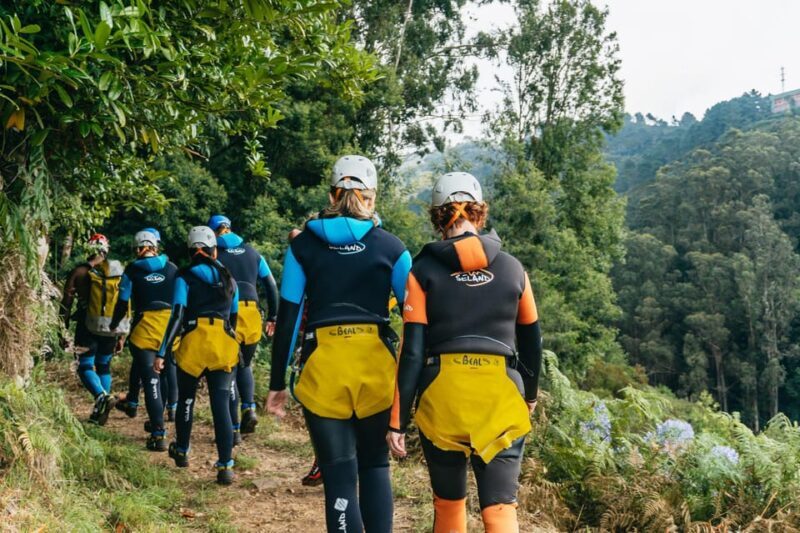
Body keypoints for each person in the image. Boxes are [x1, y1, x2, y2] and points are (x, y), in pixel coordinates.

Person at [387, 172, 543, 533]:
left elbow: (411, 351)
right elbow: (532, 342)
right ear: (479, 213)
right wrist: (530, 396)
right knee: (501, 509)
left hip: (443, 394)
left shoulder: (422, 270)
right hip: (500, 393)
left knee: (449, 504)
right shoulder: (513, 269)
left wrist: (398, 420)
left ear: (439, 217)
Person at [269, 155, 412, 532]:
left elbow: (288, 317)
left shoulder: (303, 247)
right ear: (372, 196)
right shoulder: (393, 248)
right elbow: (416, 321)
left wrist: (276, 385)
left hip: (324, 370)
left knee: (339, 477)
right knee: (375, 466)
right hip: (376, 369)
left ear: (332, 194)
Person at [155, 226, 241, 485]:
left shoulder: (184, 276)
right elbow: (233, 317)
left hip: (193, 343)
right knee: (221, 405)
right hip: (222, 344)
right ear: (214, 250)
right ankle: (225, 466)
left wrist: (162, 351)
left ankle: (182, 450)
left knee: (187, 400)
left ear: (192, 251)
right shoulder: (229, 278)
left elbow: (178, 314)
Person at [208, 214, 278, 442]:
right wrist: (273, 316)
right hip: (253, 314)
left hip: (229, 314)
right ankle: (249, 408)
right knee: (244, 363)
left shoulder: (214, 253)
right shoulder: (253, 252)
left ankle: (234, 430)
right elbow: (271, 285)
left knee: (229, 370)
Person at [109, 228, 178, 451]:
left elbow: (122, 303)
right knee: (166, 375)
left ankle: (158, 433)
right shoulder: (172, 268)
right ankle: (164, 415)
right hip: (169, 331)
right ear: (155, 247)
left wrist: (114, 327)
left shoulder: (132, 271)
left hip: (145, 331)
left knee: (151, 380)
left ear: (139, 249)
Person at [60, 233, 125, 425]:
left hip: (86, 327)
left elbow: (66, 303)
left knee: (85, 366)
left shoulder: (79, 272)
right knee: (104, 366)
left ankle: (102, 397)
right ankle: (101, 410)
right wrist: (121, 335)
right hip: (111, 328)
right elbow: (124, 303)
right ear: (106, 250)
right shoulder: (116, 273)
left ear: (88, 249)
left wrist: (62, 329)